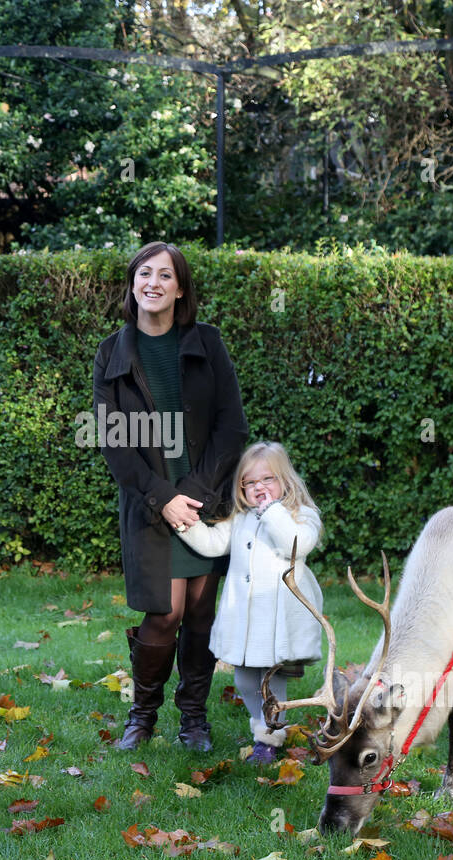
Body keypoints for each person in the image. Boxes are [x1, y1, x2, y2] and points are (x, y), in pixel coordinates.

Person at [93, 241, 248, 752]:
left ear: (180, 289)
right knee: (165, 612)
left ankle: (194, 719)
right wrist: (163, 498)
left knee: (201, 614)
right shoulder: (112, 352)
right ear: (132, 282)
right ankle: (142, 716)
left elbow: (232, 428)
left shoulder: (207, 342)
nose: (153, 283)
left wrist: (194, 494)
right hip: (149, 507)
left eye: (165, 275)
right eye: (144, 273)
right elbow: (114, 443)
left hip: (205, 504)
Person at [174, 441, 323, 763]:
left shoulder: (300, 515)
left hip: (278, 621)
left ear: (285, 479)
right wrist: (186, 524)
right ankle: (264, 725)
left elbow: (297, 545)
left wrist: (273, 511)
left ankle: (269, 740)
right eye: (250, 482)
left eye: (267, 480)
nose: (259, 488)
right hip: (245, 619)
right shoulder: (240, 519)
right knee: (244, 679)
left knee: (272, 681)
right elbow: (214, 544)